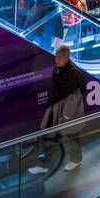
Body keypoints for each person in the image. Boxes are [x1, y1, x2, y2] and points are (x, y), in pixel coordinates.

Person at [28, 45, 87, 174]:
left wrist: (65, 116)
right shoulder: (59, 69)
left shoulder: (72, 73)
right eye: (56, 57)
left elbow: (74, 97)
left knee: (72, 135)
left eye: (60, 57)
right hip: (55, 108)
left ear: (67, 58)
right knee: (48, 135)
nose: (57, 59)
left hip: (67, 112)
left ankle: (76, 160)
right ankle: (44, 164)